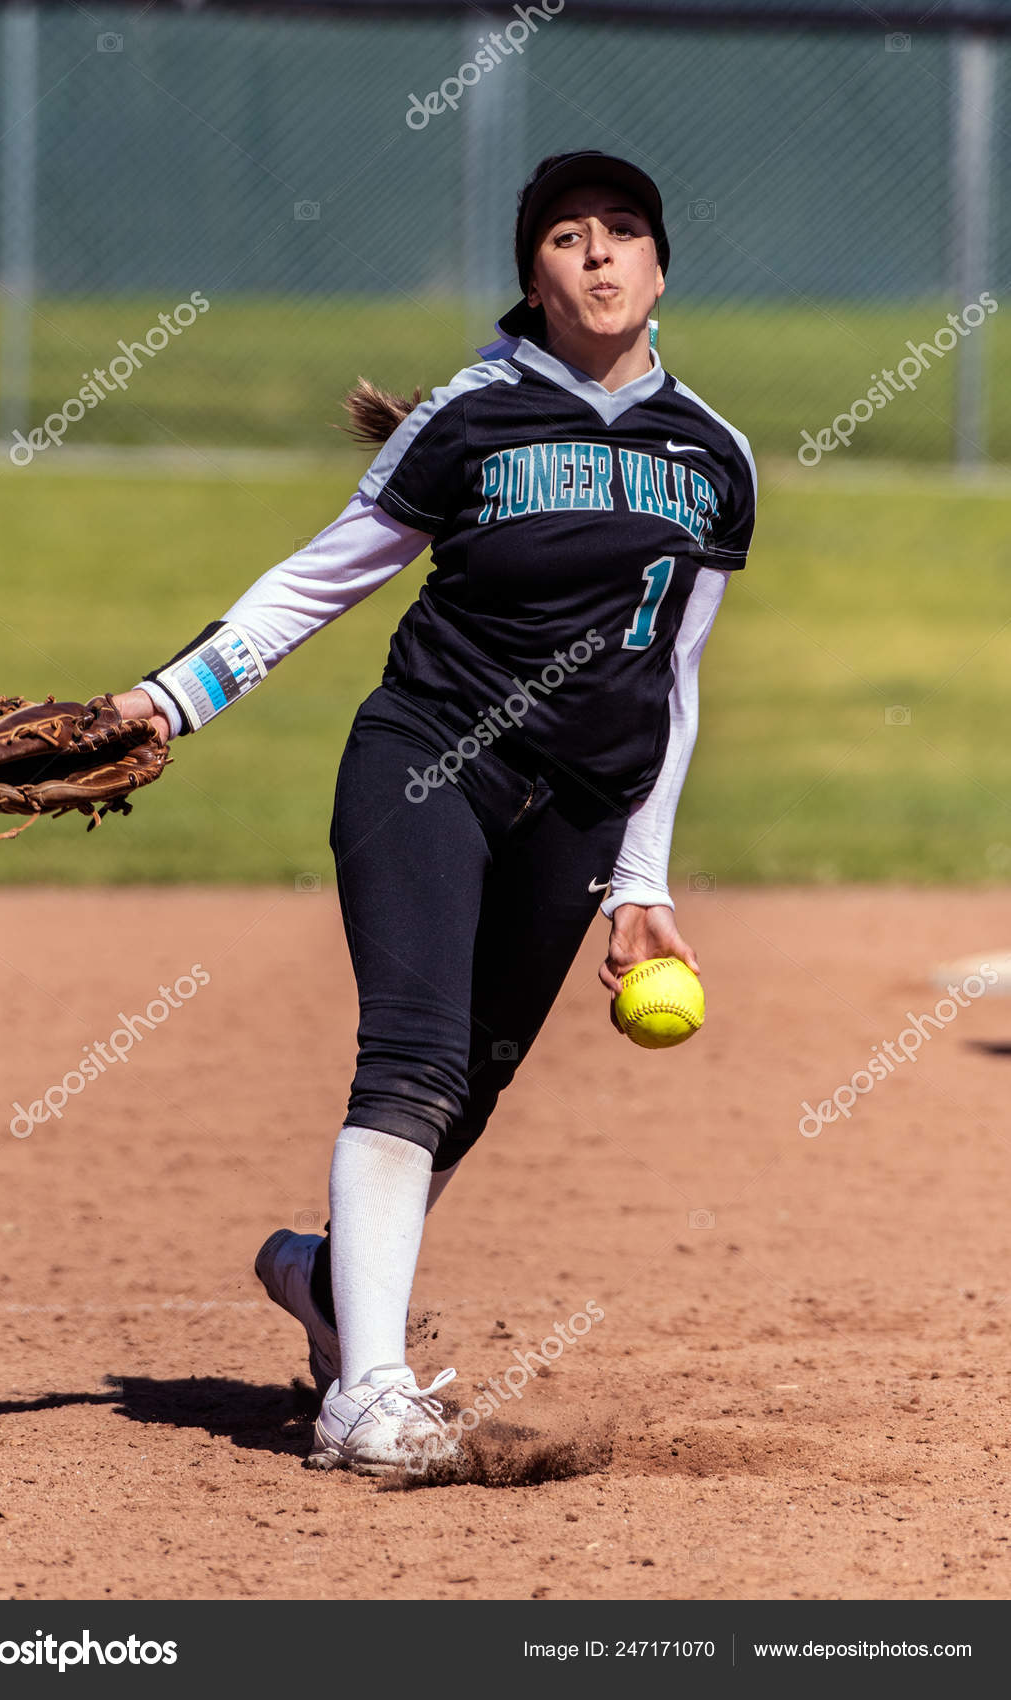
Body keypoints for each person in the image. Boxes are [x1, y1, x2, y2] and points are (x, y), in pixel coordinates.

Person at [111, 150, 756, 1476]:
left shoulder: (713, 457)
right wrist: (170, 700)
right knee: (409, 1059)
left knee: (471, 1086)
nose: (596, 256)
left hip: (579, 807)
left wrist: (643, 886)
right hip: (429, 762)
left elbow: (669, 684)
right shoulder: (471, 413)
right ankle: (368, 1395)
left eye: (621, 231)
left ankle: (324, 1282)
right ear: (533, 273)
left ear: (659, 260)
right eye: (566, 237)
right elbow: (318, 580)